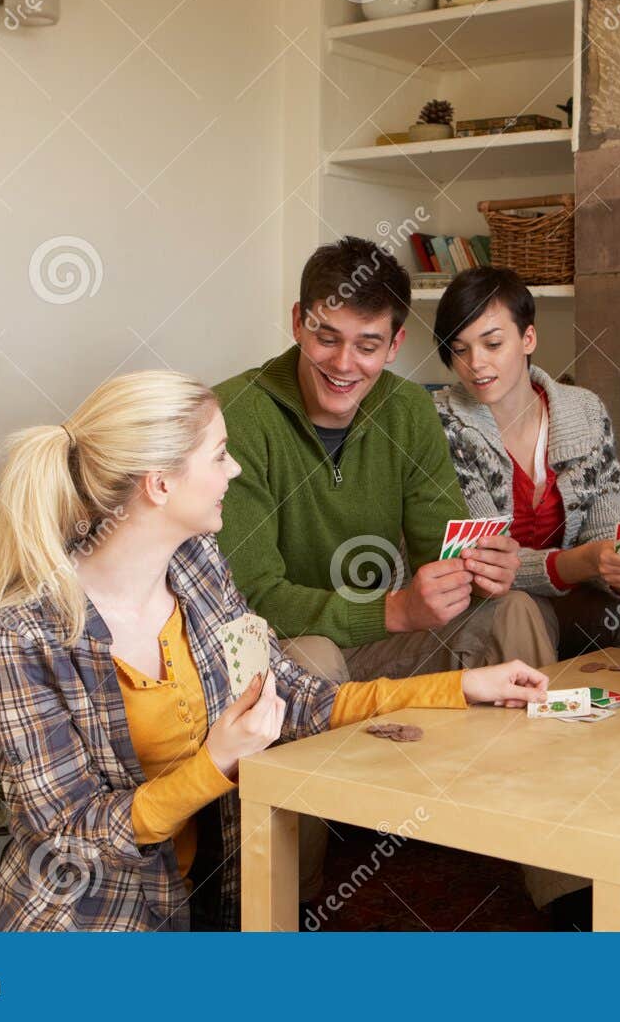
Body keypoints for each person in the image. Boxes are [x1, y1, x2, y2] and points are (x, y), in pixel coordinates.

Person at [0, 370, 548, 931]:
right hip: (93, 925)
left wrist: (461, 687)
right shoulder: (22, 635)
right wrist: (215, 765)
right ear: (159, 484)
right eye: (218, 455)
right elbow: (71, 834)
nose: (234, 470)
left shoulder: (198, 568)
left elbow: (301, 698)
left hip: (220, 905)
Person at [212, 238, 557, 903]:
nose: (344, 363)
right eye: (326, 337)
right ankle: (285, 901)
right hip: (275, 649)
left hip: (374, 645)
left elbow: (443, 548)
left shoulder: (407, 410)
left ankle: (564, 875)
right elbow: (253, 598)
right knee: (311, 657)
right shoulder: (238, 414)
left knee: (515, 611)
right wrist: (396, 609)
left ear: (396, 342)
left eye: (367, 344)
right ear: (297, 323)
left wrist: (484, 566)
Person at [432, 266, 620, 658]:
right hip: (496, 604)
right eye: (460, 349)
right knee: (521, 610)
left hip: (576, 601)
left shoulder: (586, 411)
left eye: (492, 344)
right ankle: (542, 718)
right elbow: (486, 563)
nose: (475, 363)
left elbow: (605, 529)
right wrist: (587, 561)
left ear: (528, 338)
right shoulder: (444, 425)